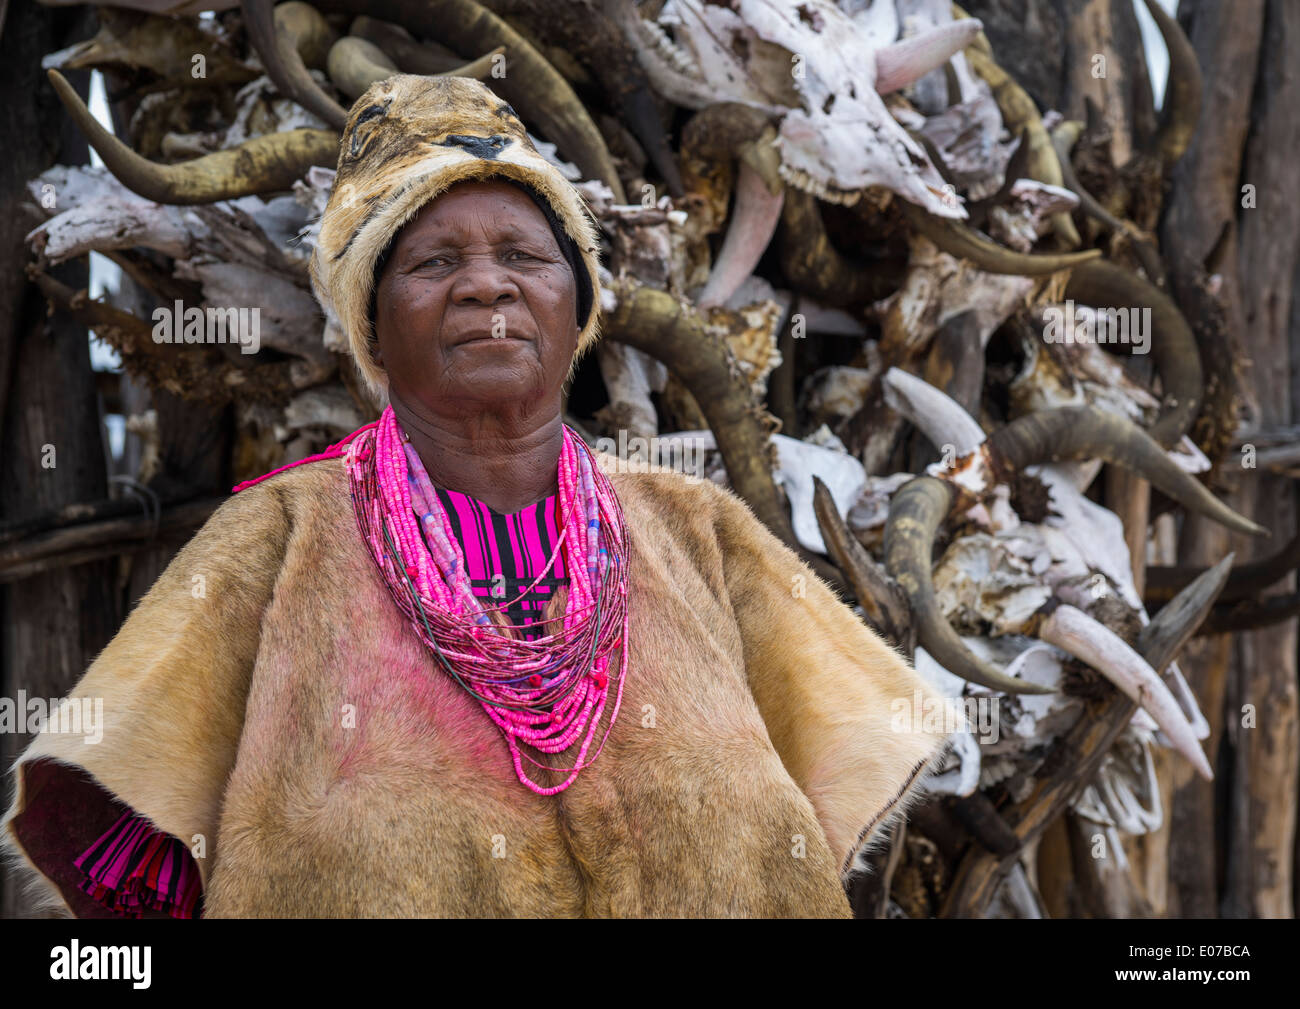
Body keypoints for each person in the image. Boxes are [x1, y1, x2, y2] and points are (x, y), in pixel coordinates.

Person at [2, 75, 950, 918]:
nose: (486, 282)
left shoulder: (693, 527)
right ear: (373, 323)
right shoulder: (275, 538)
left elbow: (827, 795)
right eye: (434, 262)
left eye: (525, 255)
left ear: (575, 307)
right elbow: (122, 850)